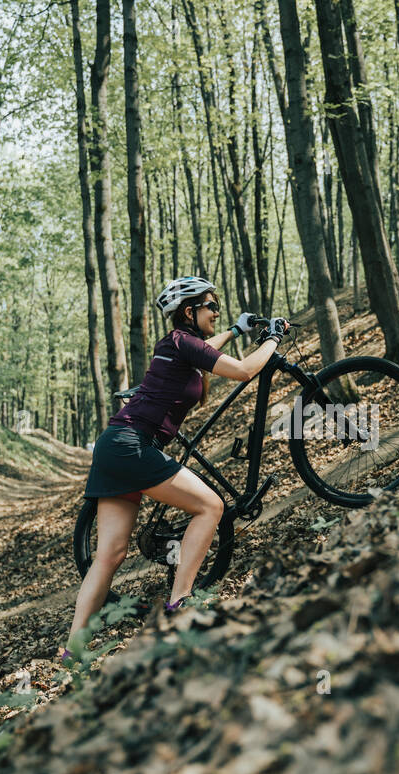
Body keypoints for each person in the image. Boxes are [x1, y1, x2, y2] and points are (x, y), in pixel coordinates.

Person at [61, 276, 286, 662]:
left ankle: (72, 650)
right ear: (189, 311)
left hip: (114, 444)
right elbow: (246, 370)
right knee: (210, 507)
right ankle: (179, 605)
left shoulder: (180, 344)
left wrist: (235, 329)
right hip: (135, 445)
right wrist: (273, 337)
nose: (216, 310)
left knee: (109, 556)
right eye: (210, 305)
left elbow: (207, 352)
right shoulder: (182, 343)